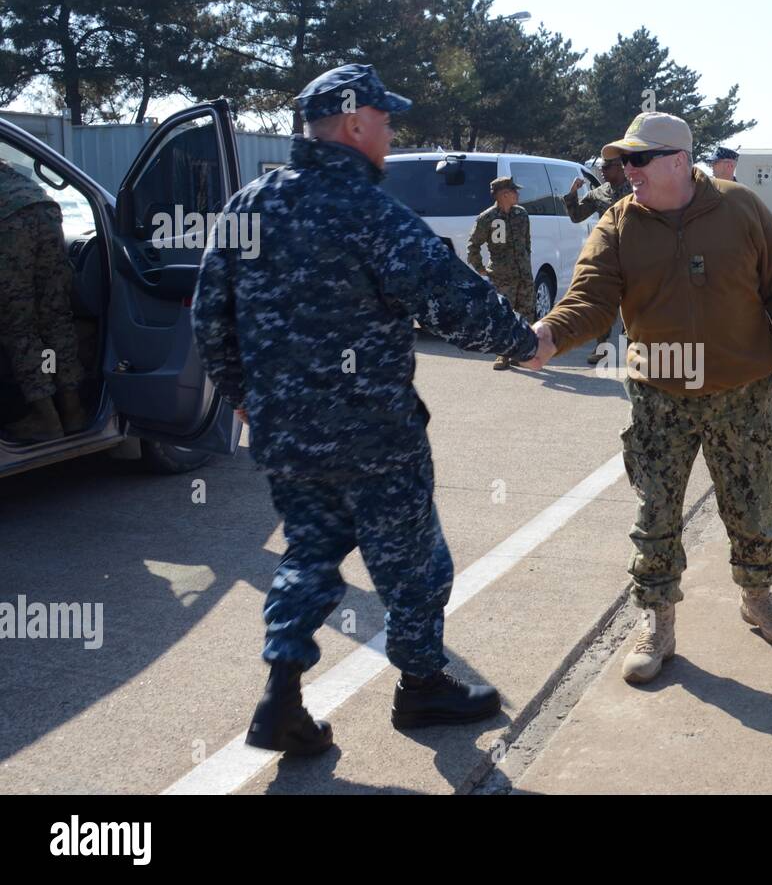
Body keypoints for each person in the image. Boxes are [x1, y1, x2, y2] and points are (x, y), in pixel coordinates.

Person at [192, 64, 538, 756]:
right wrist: (522, 339)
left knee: (309, 554)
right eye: (384, 118)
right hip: (375, 438)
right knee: (416, 563)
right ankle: (422, 688)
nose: (391, 129)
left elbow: (209, 316)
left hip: (290, 438)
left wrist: (245, 395)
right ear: (354, 124)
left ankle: (281, 696)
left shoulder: (248, 205)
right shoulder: (369, 211)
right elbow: (451, 298)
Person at [522, 112, 772, 685]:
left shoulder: (742, 209)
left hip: (741, 390)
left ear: (679, 161)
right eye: (622, 161)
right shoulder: (617, 224)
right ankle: (658, 621)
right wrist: (550, 335)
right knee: (655, 512)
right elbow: (591, 299)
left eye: (638, 159)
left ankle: (758, 597)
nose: (625, 170)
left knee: (752, 504)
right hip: (660, 393)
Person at [0, 159, 88, 441]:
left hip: (9, 218)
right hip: (44, 207)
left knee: (18, 325)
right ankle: (72, 412)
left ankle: (46, 421)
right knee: (56, 318)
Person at [563, 158, 633, 365]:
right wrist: (572, 193)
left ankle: (631, 349)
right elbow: (577, 216)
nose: (602, 171)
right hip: (608, 253)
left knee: (632, 301)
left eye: (606, 167)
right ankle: (602, 348)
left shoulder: (637, 189)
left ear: (620, 168)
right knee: (604, 300)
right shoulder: (598, 193)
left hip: (633, 252)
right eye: (601, 168)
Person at [467, 177, 535, 369]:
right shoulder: (487, 218)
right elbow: (473, 246)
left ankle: (521, 354)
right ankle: (502, 355)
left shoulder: (522, 214)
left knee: (526, 314)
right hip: (502, 276)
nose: (518, 194)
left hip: (524, 275)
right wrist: (481, 269)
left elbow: (527, 242)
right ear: (504, 194)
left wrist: (526, 262)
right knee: (503, 315)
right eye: (514, 191)